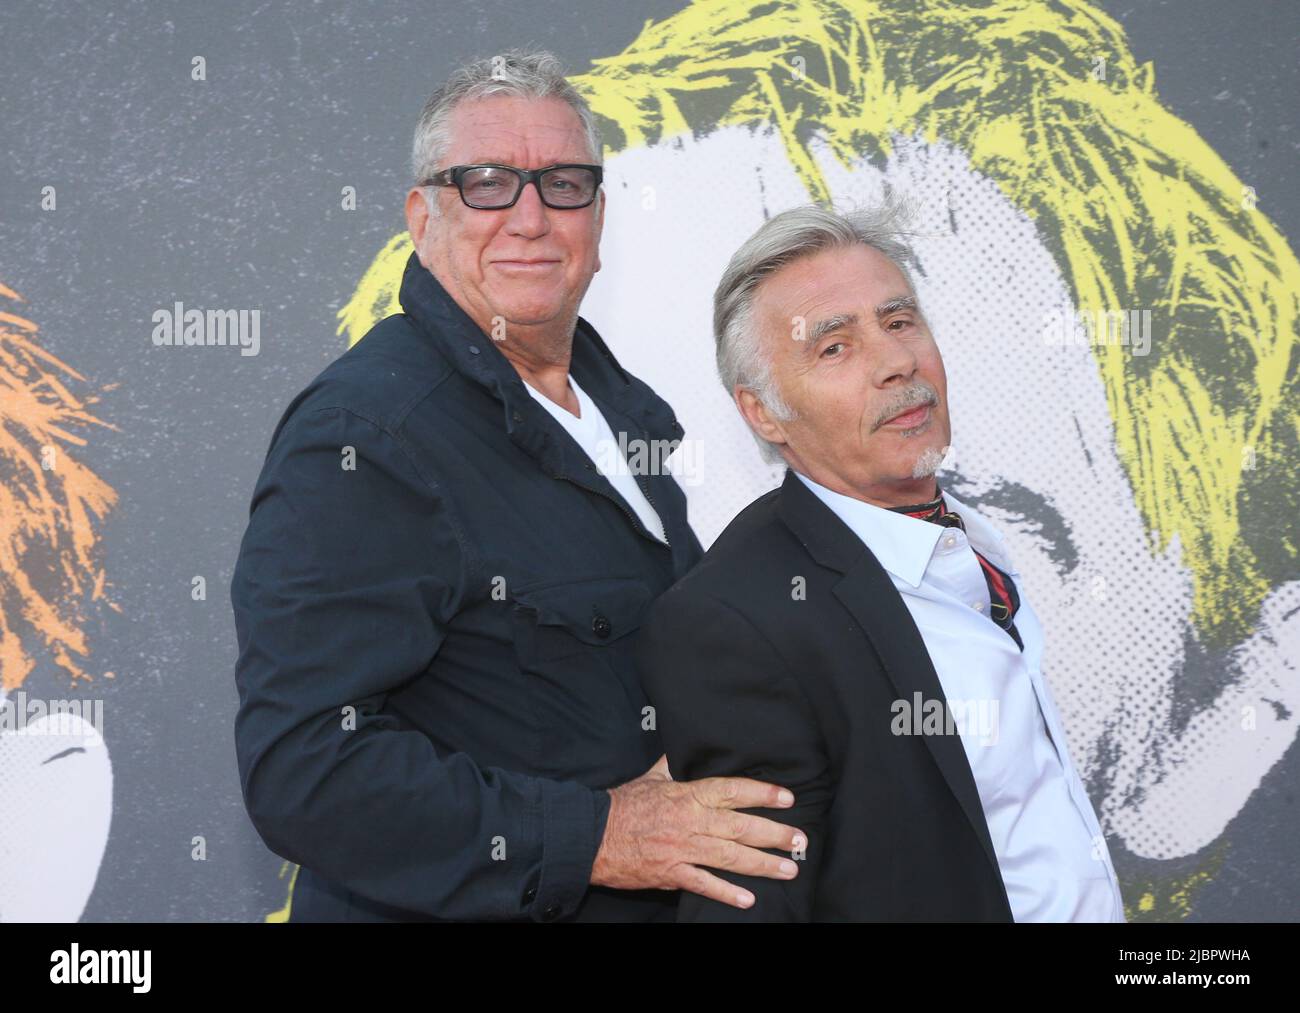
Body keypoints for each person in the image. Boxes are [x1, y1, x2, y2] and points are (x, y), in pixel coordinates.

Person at [230, 49, 802, 923]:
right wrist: (601, 834)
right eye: (488, 183)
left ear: (599, 220)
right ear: (423, 217)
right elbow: (306, 769)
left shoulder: (625, 410)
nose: (531, 217)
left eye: (563, 183)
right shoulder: (365, 434)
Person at [636, 201, 1128, 921]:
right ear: (763, 413)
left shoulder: (976, 535)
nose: (897, 362)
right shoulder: (738, 623)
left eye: (899, 323)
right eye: (834, 347)